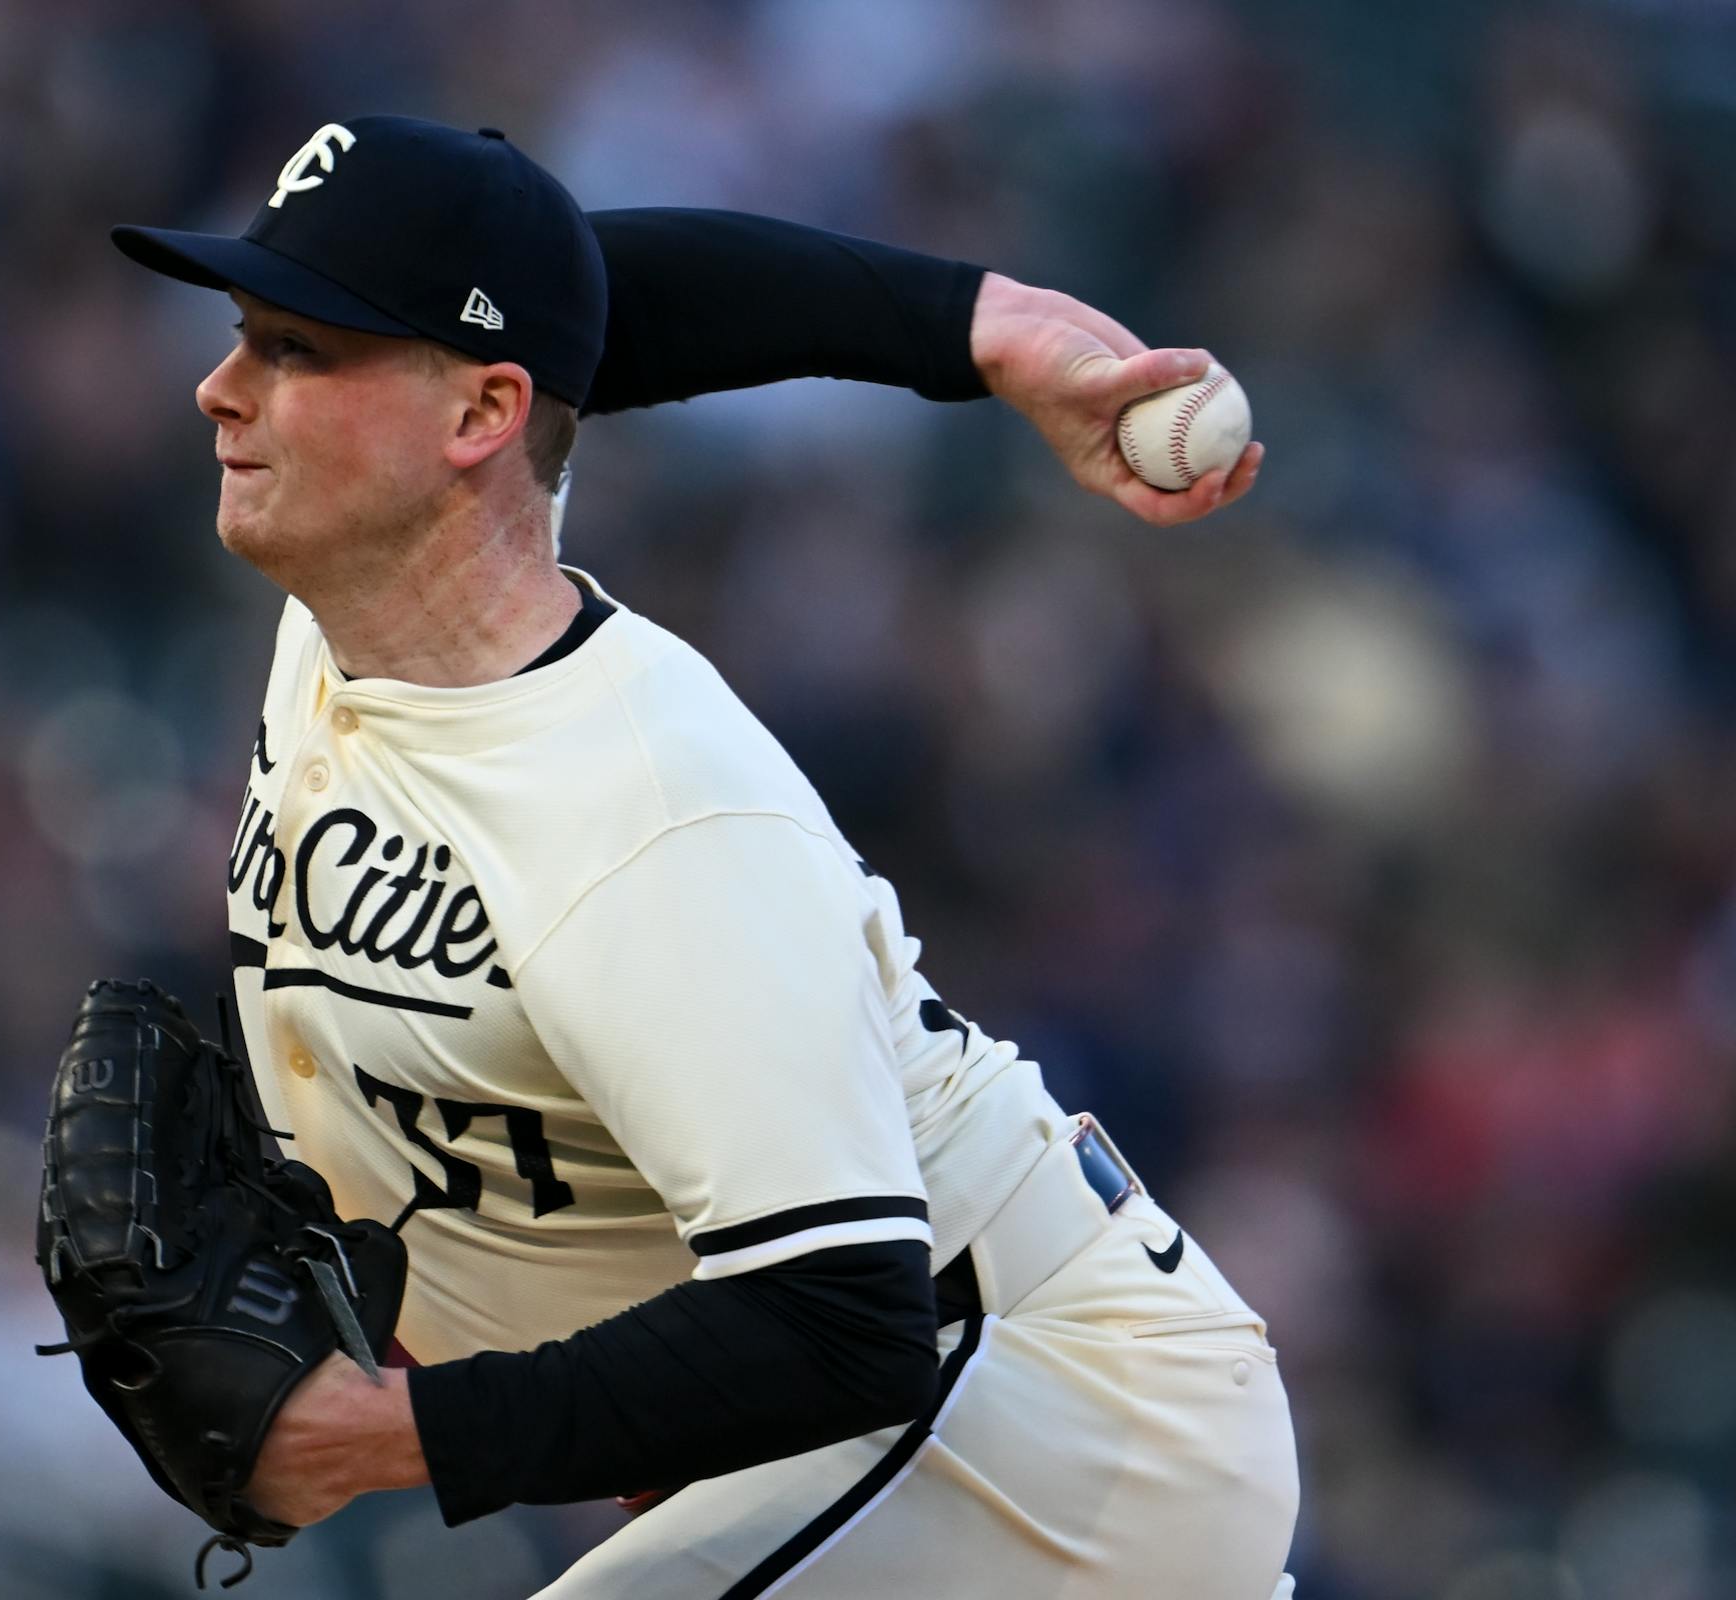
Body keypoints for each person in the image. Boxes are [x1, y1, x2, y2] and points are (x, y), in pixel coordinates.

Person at [110, 114, 1296, 1599]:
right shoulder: (373, 599)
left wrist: (382, 1433)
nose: (219, 387)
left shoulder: (652, 808)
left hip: (1023, 1410)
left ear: (479, 420)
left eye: (294, 348)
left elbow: (835, 1324)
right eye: (244, 330)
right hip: (894, 1403)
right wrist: (982, 328)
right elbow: (574, 297)